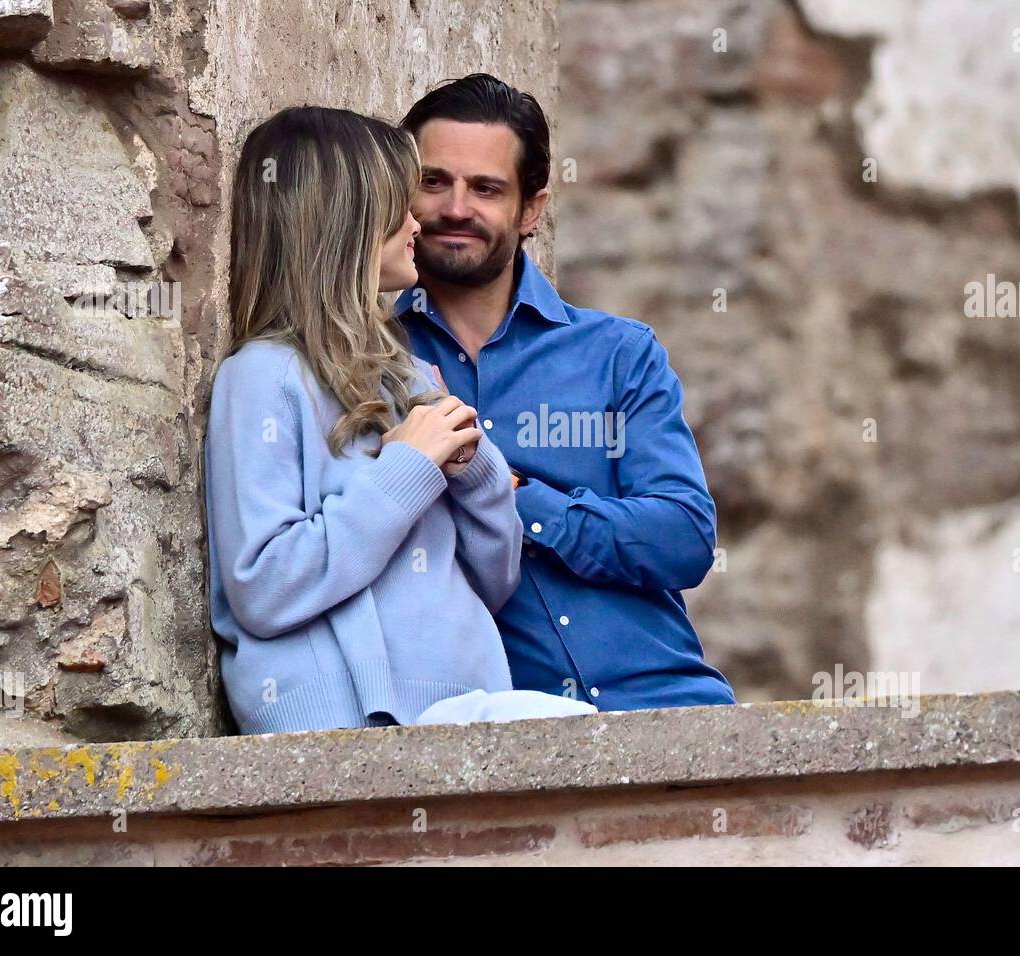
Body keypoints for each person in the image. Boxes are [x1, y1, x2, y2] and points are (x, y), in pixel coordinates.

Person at [202, 106, 598, 733]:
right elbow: (265, 586)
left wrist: (472, 472)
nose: (420, 222)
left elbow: (493, 580)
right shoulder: (262, 377)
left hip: (465, 706)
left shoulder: (407, 375)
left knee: (589, 747)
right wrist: (407, 469)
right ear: (346, 226)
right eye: (399, 208)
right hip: (348, 721)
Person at [396, 75, 737, 711]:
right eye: (434, 181)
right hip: (499, 732)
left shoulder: (618, 356)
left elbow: (685, 538)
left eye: (486, 188)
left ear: (531, 209)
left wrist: (514, 497)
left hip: (665, 703)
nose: (455, 208)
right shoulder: (371, 361)